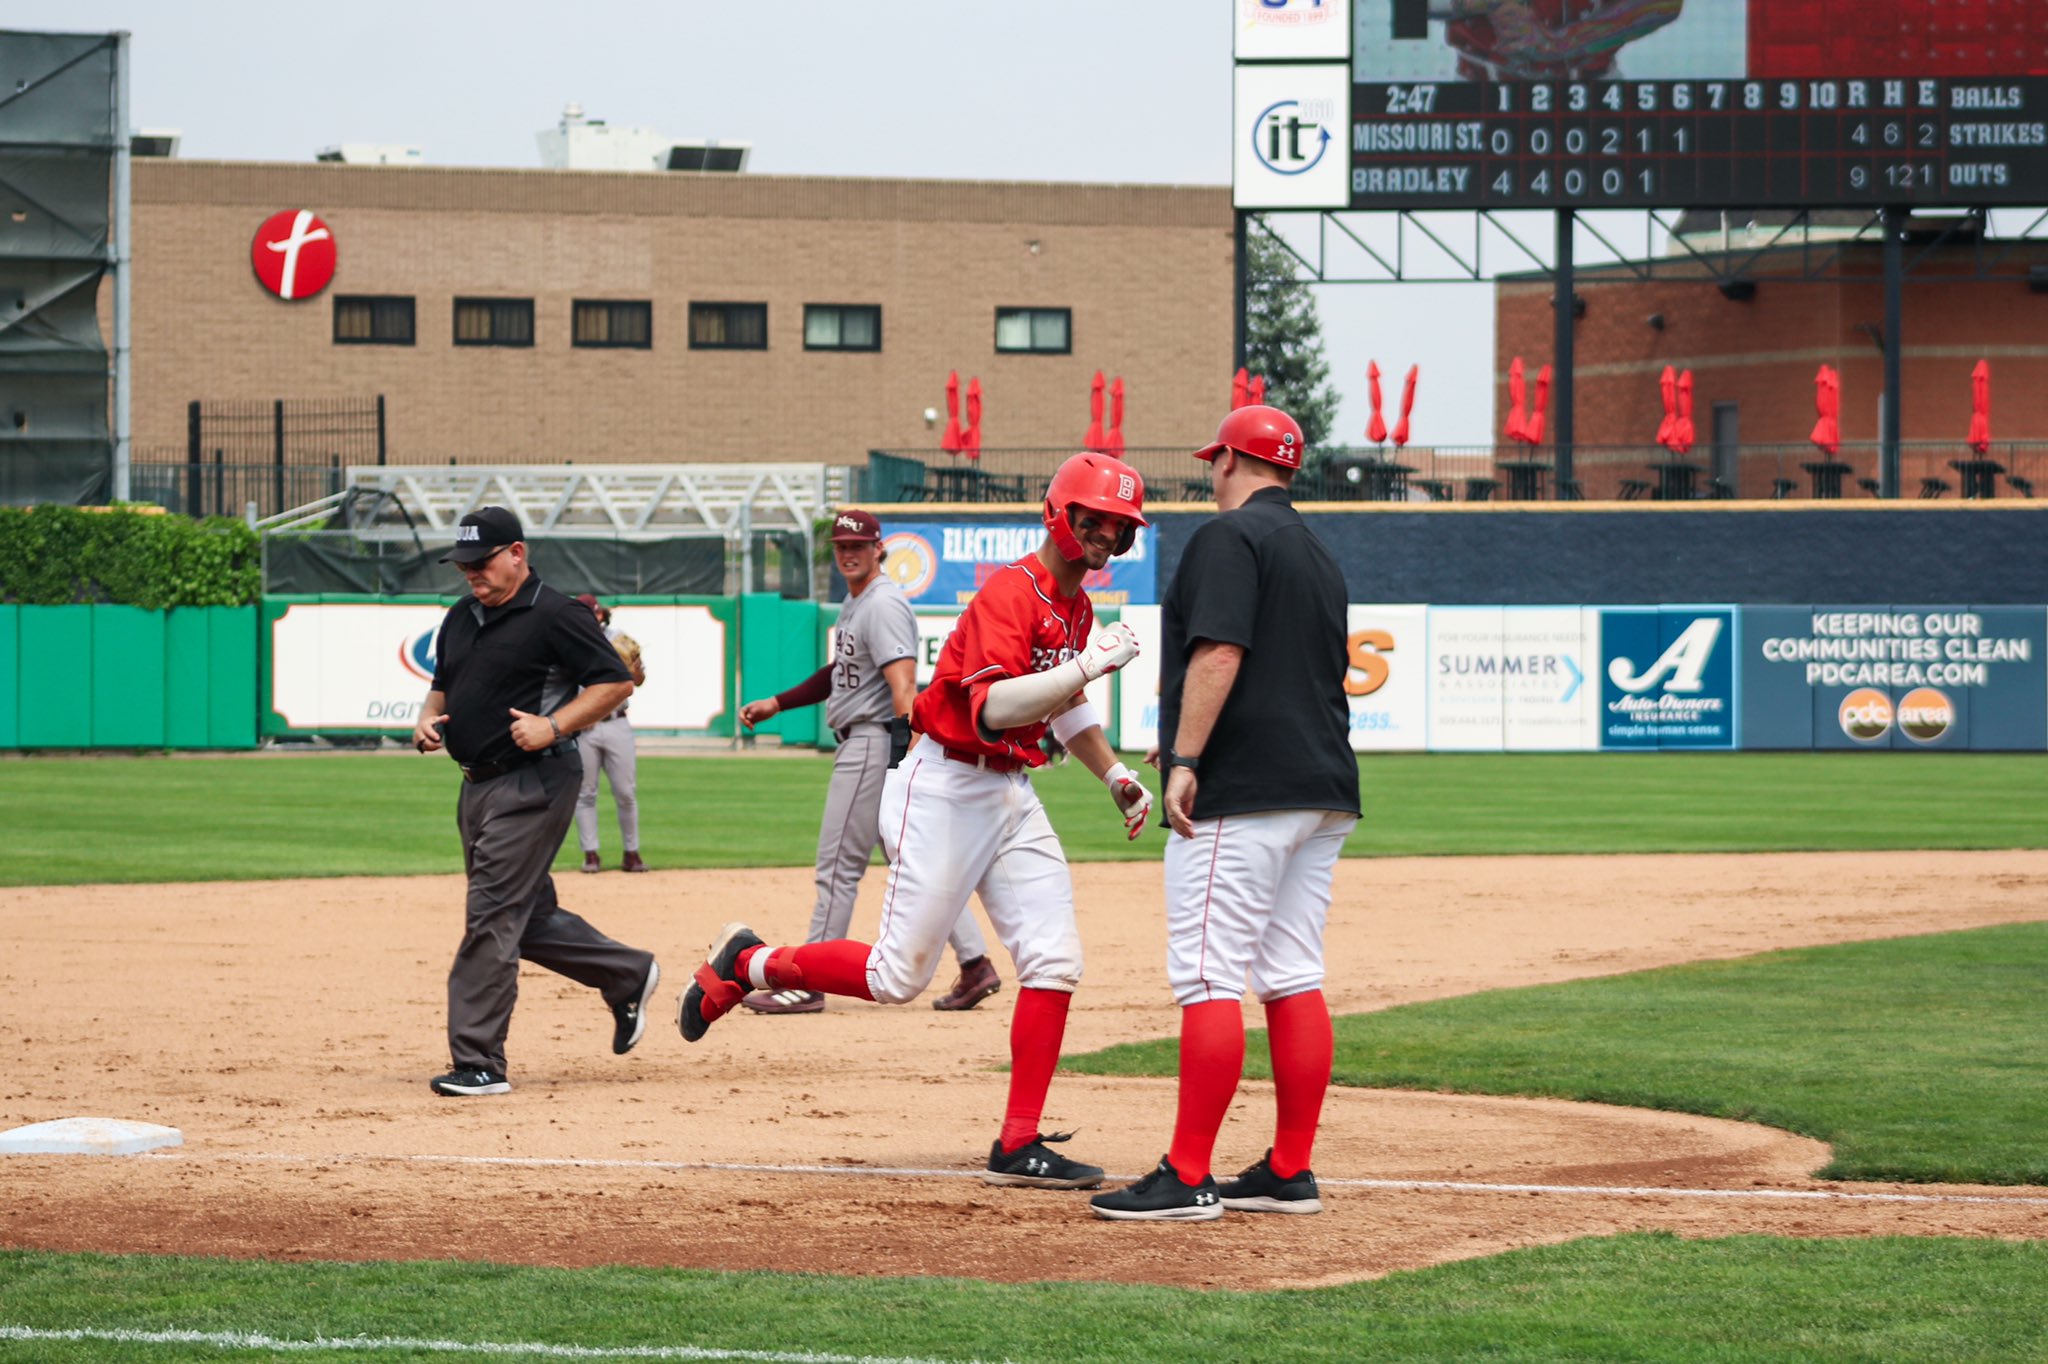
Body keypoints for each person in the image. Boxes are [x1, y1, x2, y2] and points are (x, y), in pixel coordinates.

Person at [679, 454, 1155, 1190]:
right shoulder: (1010, 592)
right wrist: (1087, 668)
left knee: (1055, 960)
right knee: (895, 975)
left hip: (1009, 792)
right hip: (943, 786)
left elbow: (1061, 708)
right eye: (1095, 518)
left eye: (1119, 526)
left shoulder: (1077, 609)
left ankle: (1018, 1142)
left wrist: (1116, 775)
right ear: (1061, 515)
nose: (1106, 533)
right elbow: (995, 708)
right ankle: (747, 962)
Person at [1090, 406, 1360, 1221]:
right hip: (1322, 790)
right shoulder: (1317, 551)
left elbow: (1220, 651)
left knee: (1208, 973)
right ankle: (1288, 1168)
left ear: (1233, 461)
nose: (1212, 474)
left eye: (1217, 461)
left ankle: (1188, 1174)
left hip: (1243, 794)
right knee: (1291, 973)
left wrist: (1186, 759)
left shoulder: (1227, 538)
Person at [410, 506, 662, 1097]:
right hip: (476, 783)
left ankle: (479, 1062)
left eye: (481, 562)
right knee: (527, 917)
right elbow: (441, 685)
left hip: (534, 781)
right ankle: (627, 974)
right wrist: (428, 720)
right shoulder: (461, 614)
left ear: (517, 554)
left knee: (492, 916)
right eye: (463, 564)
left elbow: (615, 682)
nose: (471, 573)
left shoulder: (556, 613)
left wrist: (555, 725)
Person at [736, 509, 1001, 1015]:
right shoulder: (857, 602)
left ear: (880, 548)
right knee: (914, 861)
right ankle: (974, 963)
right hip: (871, 743)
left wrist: (905, 761)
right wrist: (779, 702)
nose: (848, 552)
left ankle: (804, 979)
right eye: (840, 545)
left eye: (858, 544)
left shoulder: (882, 604)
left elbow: (904, 686)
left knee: (838, 866)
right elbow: (842, 672)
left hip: (874, 746)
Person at [572, 593, 649, 874]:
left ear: (600, 614)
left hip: (616, 721)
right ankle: (590, 855)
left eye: (592, 613)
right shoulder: (566, 641)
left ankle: (632, 853)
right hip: (584, 727)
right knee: (585, 793)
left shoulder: (618, 638)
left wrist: (637, 668)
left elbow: (638, 681)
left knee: (626, 792)